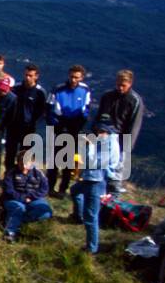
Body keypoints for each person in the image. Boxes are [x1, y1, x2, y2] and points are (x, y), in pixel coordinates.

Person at [70, 115, 121, 254]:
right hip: (89, 177)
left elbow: (95, 161)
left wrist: (89, 146)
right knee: (74, 191)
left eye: (101, 131)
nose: (98, 133)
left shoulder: (110, 145)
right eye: (97, 130)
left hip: (97, 182)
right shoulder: (104, 140)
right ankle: (77, 215)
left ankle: (91, 248)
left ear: (108, 131)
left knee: (91, 216)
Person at [48, 64, 92, 196]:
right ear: (69, 75)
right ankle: (50, 187)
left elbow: (86, 109)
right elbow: (49, 107)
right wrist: (55, 125)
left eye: (77, 77)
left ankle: (63, 189)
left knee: (69, 161)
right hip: (59, 126)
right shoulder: (58, 89)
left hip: (74, 127)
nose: (74, 80)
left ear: (82, 77)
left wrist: (78, 127)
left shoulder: (85, 90)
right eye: (72, 76)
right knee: (54, 160)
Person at [96, 69, 144, 188]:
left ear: (130, 84)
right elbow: (99, 116)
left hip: (121, 141)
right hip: (103, 138)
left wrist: (126, 147)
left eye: (123, 85)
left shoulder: (135, 101)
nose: (120, 88)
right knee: (99, 170)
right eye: (118, 84)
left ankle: (113, 198)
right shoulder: (107, 96)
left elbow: (134, 126)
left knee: (116, 174)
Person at [5, 64, 48, 179]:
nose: (27, 77)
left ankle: (22, 175)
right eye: (26, 75)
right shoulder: (16, 88)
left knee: (25, 153)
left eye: (30, 75)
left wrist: (31, 121)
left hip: (28, 128)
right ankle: (8, 175)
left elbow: (42, 111)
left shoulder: (40, 92)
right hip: (13, 126)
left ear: (36, 76)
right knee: (10, 152)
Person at [1, 150, 52, 242]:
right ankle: (10, 232)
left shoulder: (39, 173)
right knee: (18, 208)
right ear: (18, 161)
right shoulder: (11, 173)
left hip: (33, 199)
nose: (24, 165)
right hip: (14, 199)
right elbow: (8, 190)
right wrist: (23, 198)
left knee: (46, 212)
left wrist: (31, 197)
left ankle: (18, 221)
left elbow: (44, 189)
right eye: (21, 162)